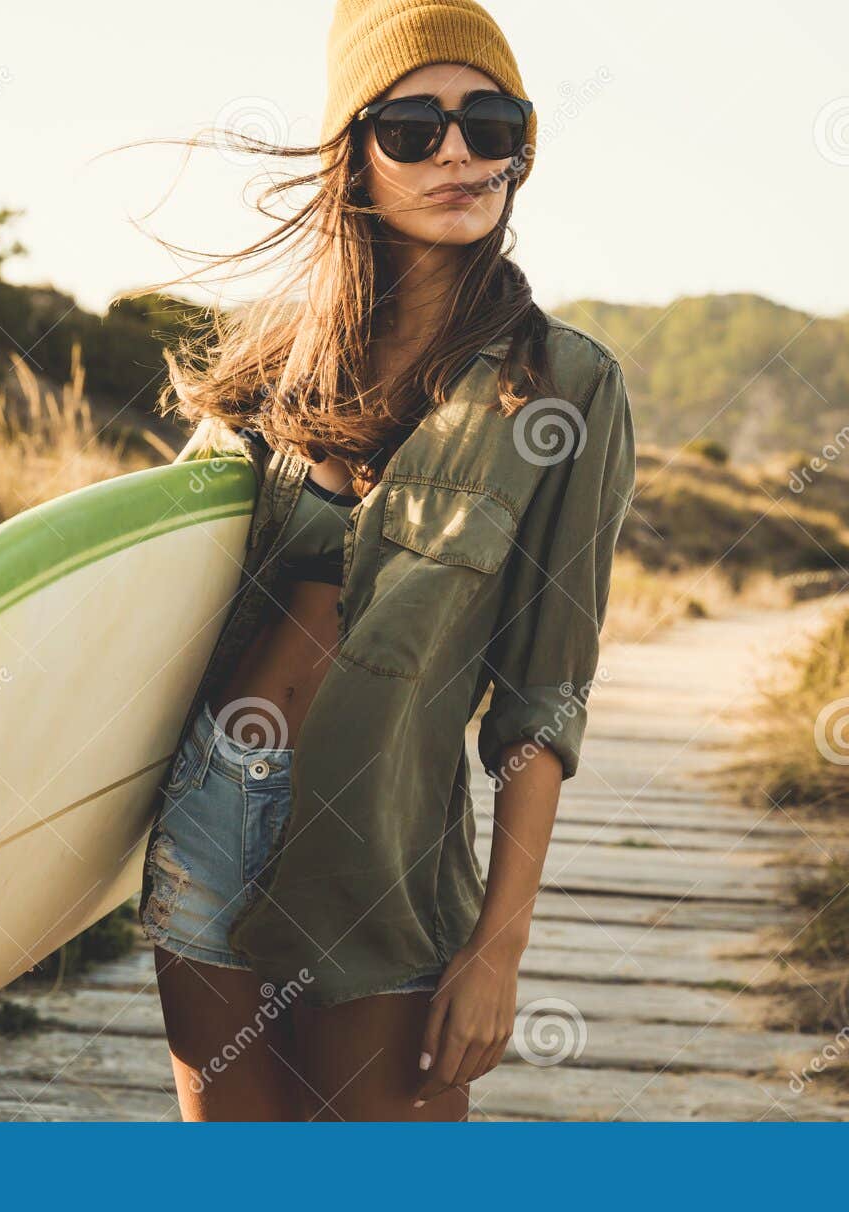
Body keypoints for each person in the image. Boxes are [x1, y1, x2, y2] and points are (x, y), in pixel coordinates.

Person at [126, 0, 636, 1121]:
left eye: (489, 124)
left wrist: (498, 949)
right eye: (411, 128)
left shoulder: (564, 388)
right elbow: (171, 596)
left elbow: (544, 694)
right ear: (352, 156)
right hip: (211, 814)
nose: (457, 153)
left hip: (385, 855)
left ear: (520, 147)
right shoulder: (275, 362)